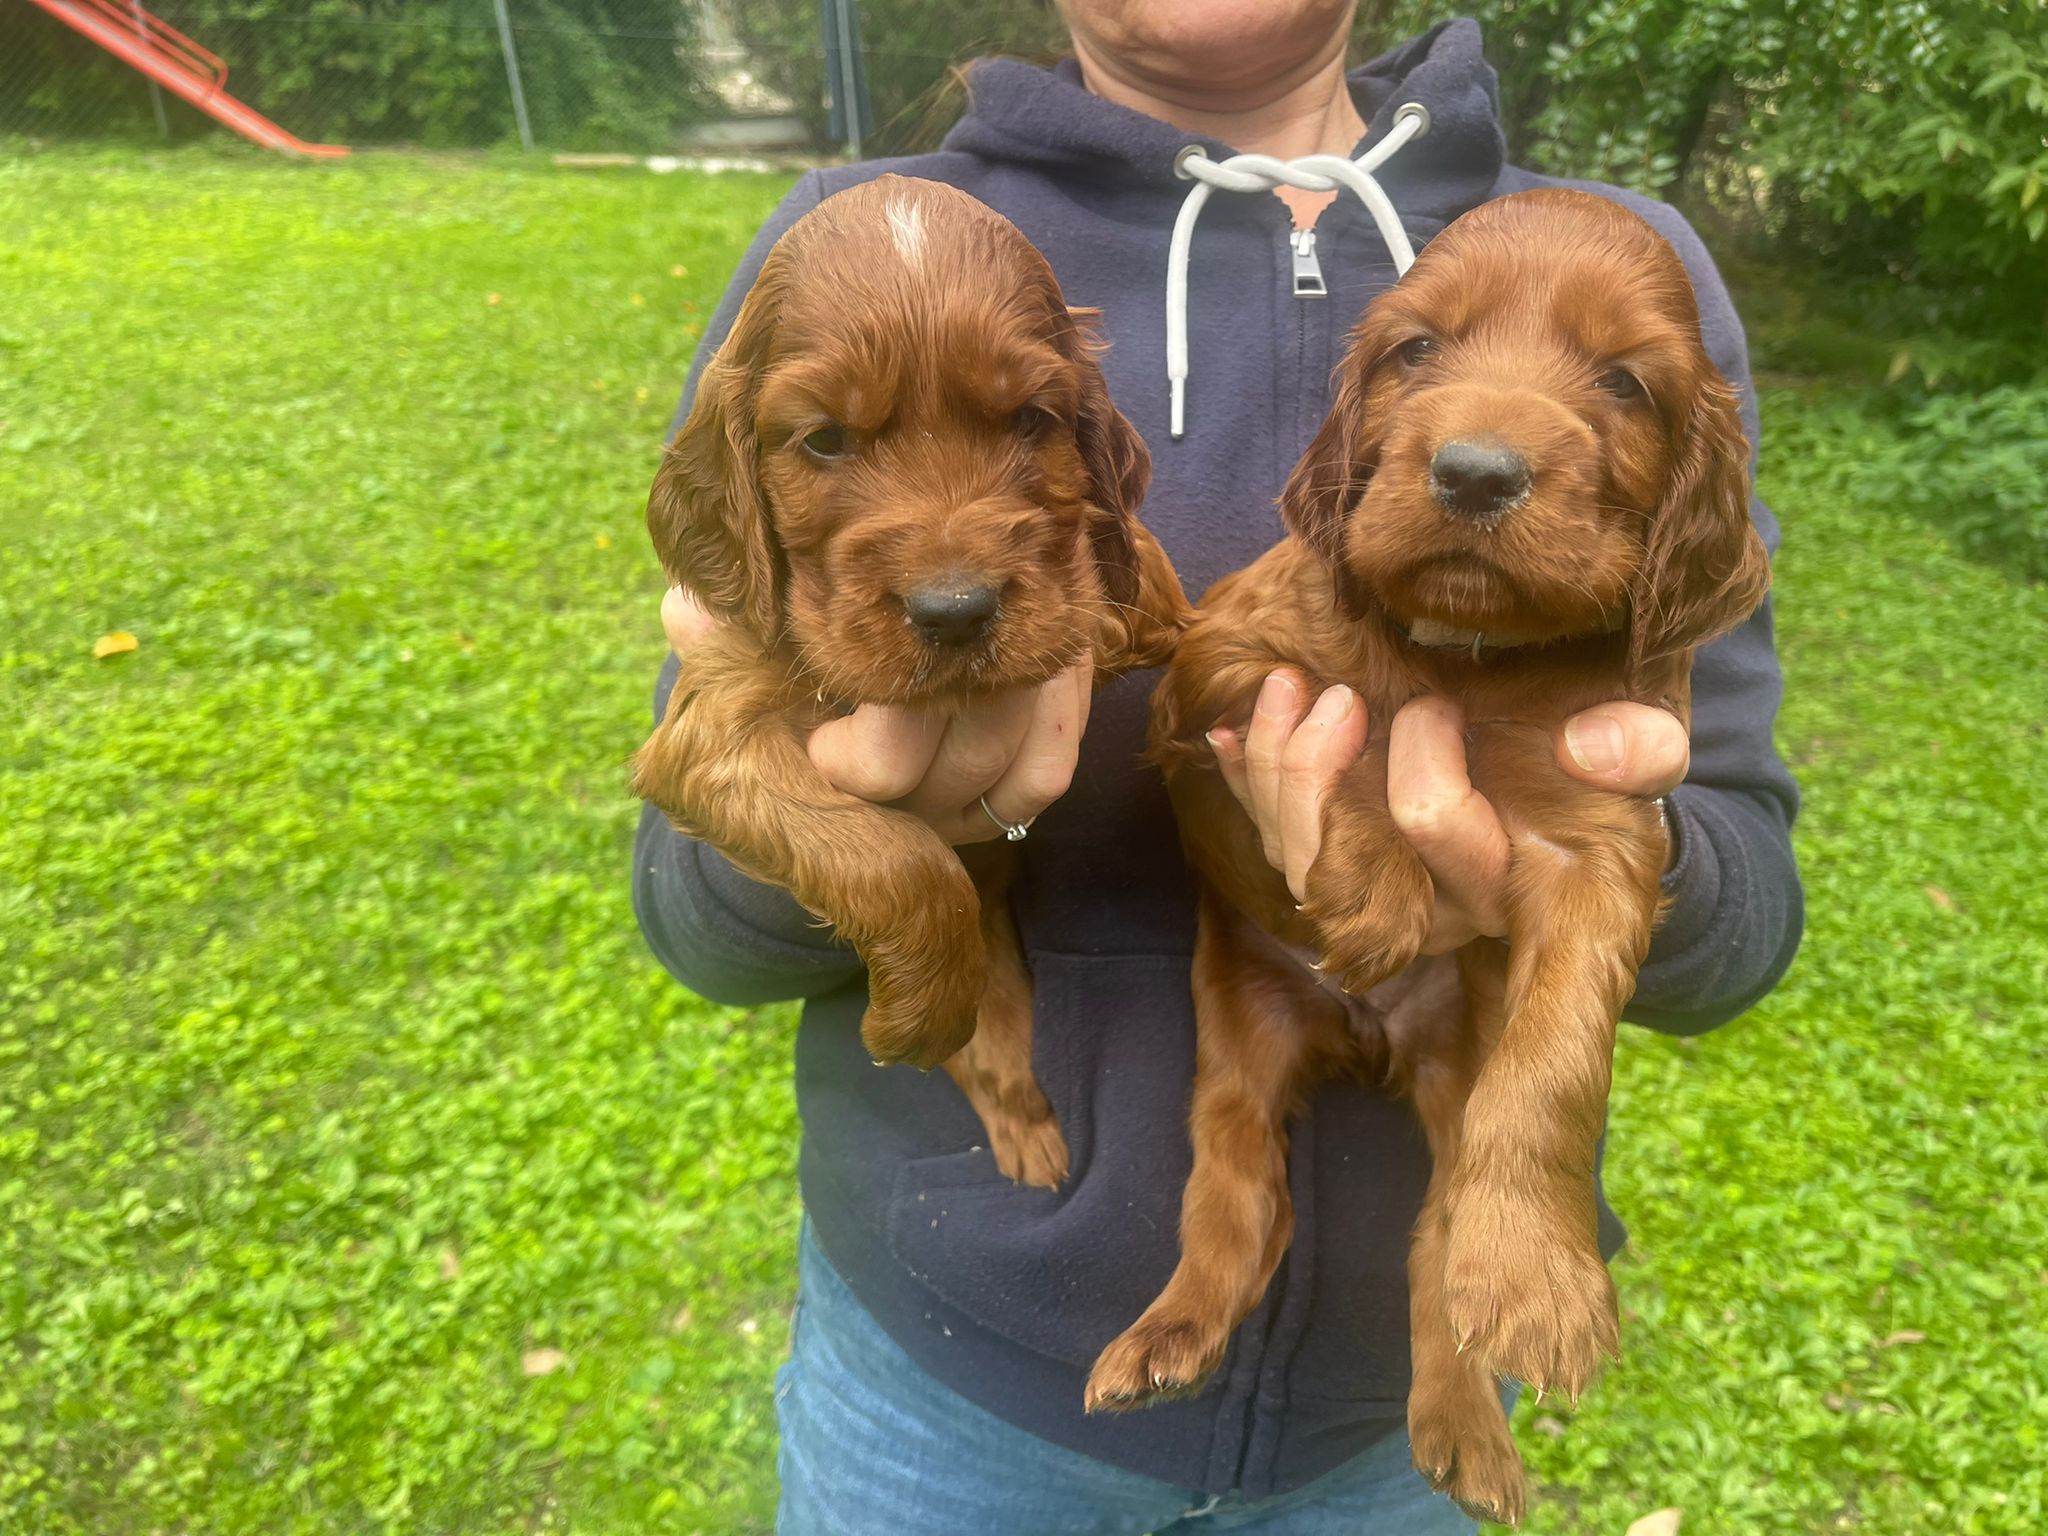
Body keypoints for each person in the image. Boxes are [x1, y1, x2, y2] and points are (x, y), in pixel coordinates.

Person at [633, 4, 1803, 1530]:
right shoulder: (847, 240)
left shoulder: (1622, 256)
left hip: (1392, 1425)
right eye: (1424, 354)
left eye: (1030, 424)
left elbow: (1741, 898)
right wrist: (885, 841)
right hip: (949, 1386)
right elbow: (692, 901)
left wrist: (1577, 858)